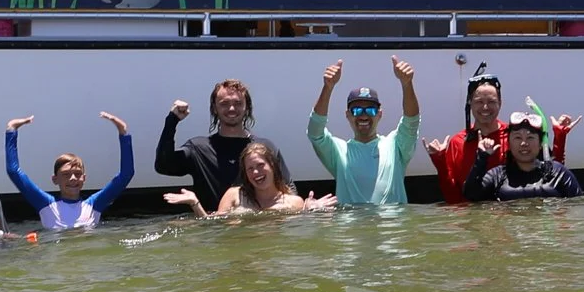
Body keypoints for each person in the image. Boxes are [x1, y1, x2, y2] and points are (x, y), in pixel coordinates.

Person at [426, 72, 582, 204]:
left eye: (491, 102)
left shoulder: (514, 136)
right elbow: (452, 197)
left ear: (500, 103)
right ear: (469, 103)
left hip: (509, 222)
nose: (485, 107)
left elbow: (551, 175)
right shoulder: (457, 142)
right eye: (479, 102)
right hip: (472, 224)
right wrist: (440, 161)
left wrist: (560, 138)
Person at [155, 79, 291, 210]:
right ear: (214, 108)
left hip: (255, 228)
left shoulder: (265, 148)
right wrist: (172, 121)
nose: (231, 108)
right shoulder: (199, 149)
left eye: (238, 103)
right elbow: (163, 165)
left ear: (247, 107)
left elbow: (288, 189)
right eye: (224, 103)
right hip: (212, 228)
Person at [307, 56, 419, 205]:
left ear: (380, 114)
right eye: (357, 110)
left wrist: (407, 84)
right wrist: (328, 87)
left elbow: (411, 121)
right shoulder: (338, 151)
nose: (363, 115)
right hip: (351, 227)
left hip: (392, 227)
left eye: (371, 110)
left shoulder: (395, 145)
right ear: (347, 115)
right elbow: (315, 132)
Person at [4, 113, 134, 230]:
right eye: (66, 175)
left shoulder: (94, 205)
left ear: (84, 178)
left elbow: (126, 174)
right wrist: (12, 130)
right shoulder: (46, 204)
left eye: (77, 174)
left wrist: (123, 132)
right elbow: (13, 172)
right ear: (55, 179)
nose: (72, 178)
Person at [164, 142, 337, 216]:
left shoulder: (294, 202)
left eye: (260, 166)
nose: (256, 172)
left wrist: (312, 212)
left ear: (273, 166)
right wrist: (195, 203)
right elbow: (213, 227)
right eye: (250, 169)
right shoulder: (234, 195)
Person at [463, 113, 583, 201]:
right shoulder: (497, 176)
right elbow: (471, 196)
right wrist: (481, 158)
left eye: (530, 138)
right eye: (517, 138)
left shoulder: (558, 172)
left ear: (541, 144)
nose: (524, 143)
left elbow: (576, 207)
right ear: (508, 144)